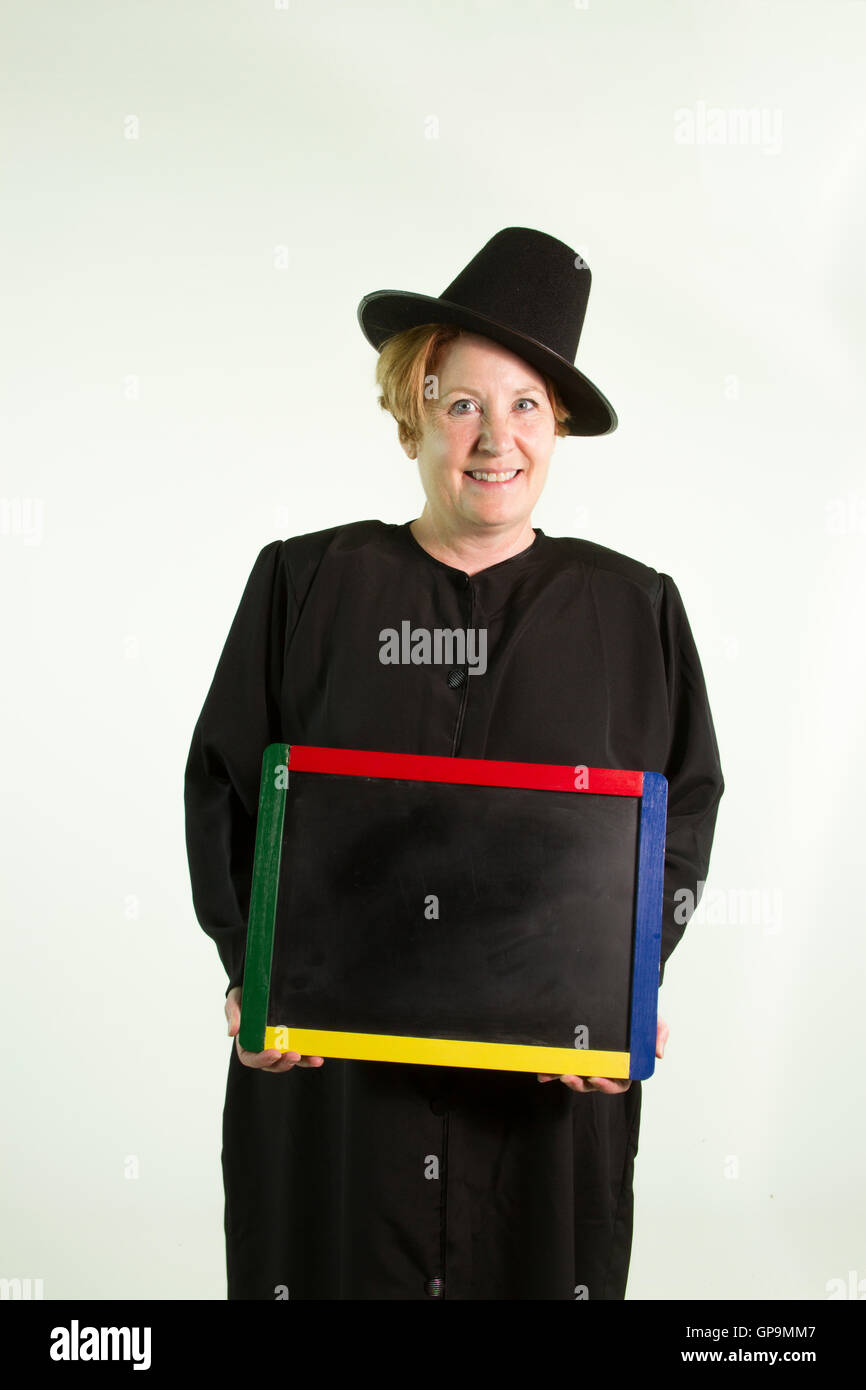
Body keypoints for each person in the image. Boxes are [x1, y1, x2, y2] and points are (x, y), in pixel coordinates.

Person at [184, 227, 724, 1300]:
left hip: (539, 1088)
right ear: (412, 409)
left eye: (524, 404)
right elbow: (227, 787)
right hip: (338, 1084)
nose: (494, 438)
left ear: (557, 423)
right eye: (462, 401)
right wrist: (249, 970)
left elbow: (681, 809)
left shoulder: (632, 609)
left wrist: (628, 974)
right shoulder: (304, 585)